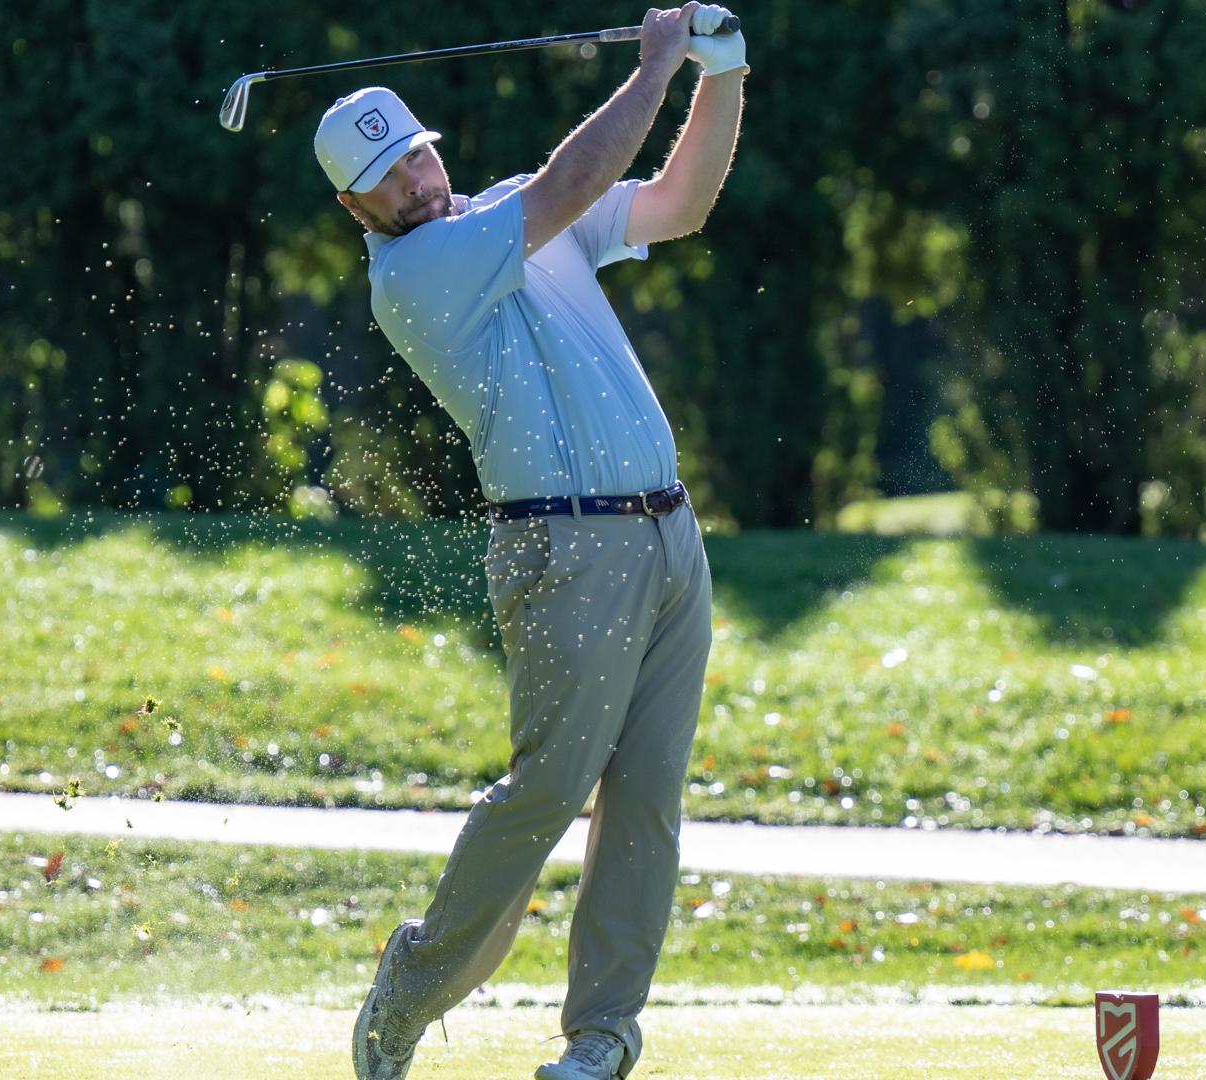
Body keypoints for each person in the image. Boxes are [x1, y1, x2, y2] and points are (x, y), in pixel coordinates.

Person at [310, 5, 746, 1080]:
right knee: (549, 791)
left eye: (415, 158)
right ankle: (414, 982)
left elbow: (680, 204)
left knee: (646, 798)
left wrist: (721, 74)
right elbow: (569, 181)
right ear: (352, 206)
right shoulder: (414, 274)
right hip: (565, 552)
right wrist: (655, 66)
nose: (414, 184)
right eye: (389, 179)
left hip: (667, 540)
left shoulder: (512, 215)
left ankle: (602, 1037)